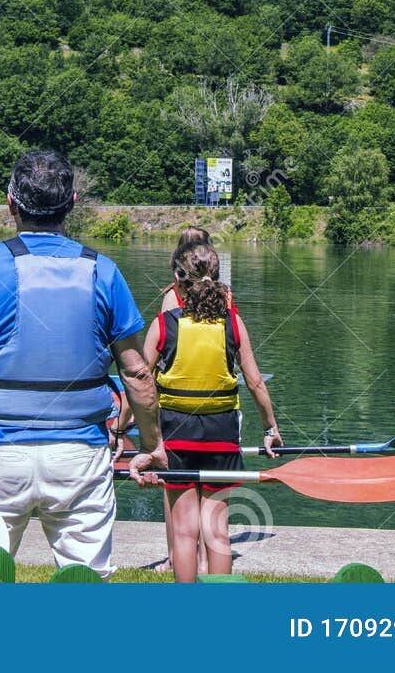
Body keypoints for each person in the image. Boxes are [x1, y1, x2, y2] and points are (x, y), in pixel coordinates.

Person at [0, 150, 165, 576]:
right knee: (85, 587)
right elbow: (137, 373)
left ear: (10, 203)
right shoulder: (103, 272)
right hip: (79, 456)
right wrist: (152, 444)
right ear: (72, 203)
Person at [130, 242, 281, 582]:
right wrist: (270, 429)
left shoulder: (164, 325)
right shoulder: (234, 324)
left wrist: (122, 430)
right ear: (218, 279)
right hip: (221, 437)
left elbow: (139, 380)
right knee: (217, 531)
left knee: (184, 532)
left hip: (176, 438)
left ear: (177, 280)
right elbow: (256, 383)